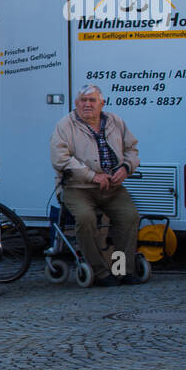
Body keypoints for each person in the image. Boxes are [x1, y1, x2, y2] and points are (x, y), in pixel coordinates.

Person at [50, 85, 141, 286]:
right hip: (78, 188)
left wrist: (126, 168)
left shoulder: (115, 122)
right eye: (83, 100)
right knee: (85, 218)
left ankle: (121, 270)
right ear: (76, 104)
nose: (87, 104)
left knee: (129, 217)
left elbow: (132, 150)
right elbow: (60, 160)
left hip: (112, 187)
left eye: (92, 100)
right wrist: (92, 176)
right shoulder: (65, 125)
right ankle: (99, 271)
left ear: (102, 103)